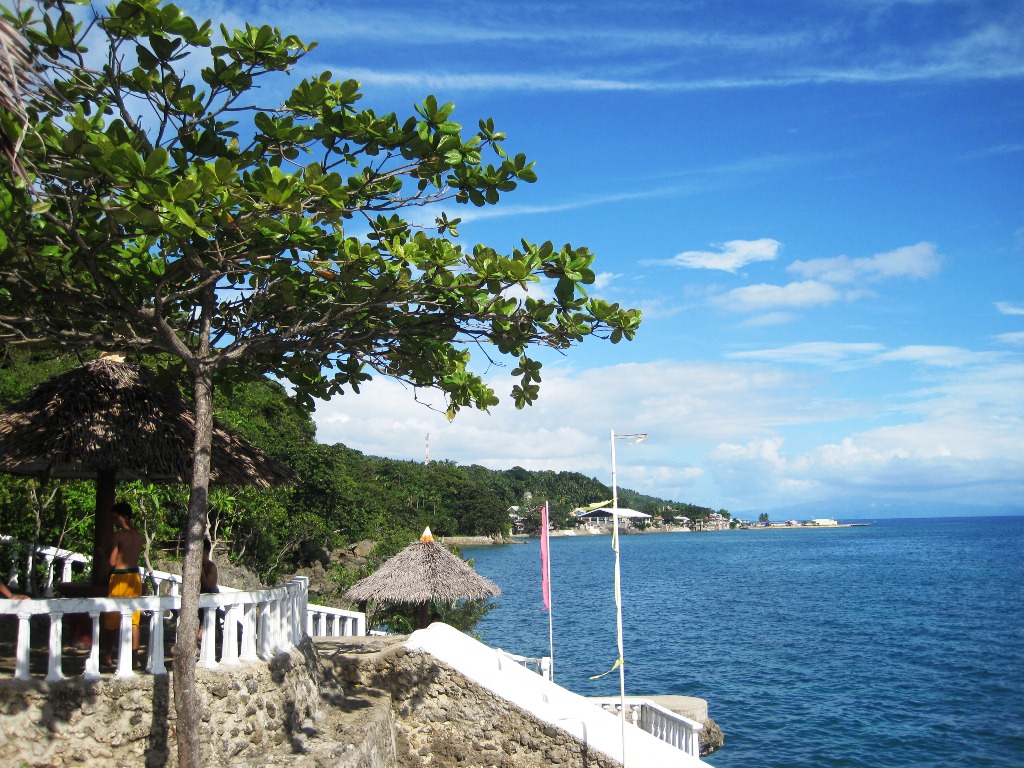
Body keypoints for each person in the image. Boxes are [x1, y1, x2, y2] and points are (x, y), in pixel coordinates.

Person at [101, 501, 144, 668]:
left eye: (115, 518)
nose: (114, 521)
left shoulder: (118, 536)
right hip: (134, 577)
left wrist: (104, 552)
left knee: (111, 618)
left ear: (123, 517)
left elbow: (112, 561)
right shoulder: (139, 535)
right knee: (134, 620)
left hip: (119, 577)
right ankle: (134, 659)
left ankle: (109, 657)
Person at [197, 538, 219, 643]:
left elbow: (209, 586)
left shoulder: (211, 567)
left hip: (210, 598)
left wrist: (201, 571)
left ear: (205, 552)